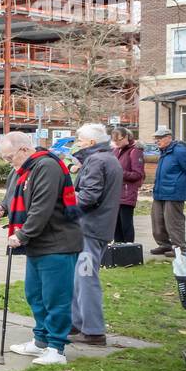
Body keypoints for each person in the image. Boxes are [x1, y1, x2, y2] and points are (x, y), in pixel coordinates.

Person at [0, 132, 83, 366]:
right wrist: (2, 208)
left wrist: (22, 234)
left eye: (9, 157)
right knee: (35, 294)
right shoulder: (21, 169)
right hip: (38, 244)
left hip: (57, 243)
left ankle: (56, 348)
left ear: (23, 149)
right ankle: (40, 340)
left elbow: (42, 207)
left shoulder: (46, 166)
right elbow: (13, 197)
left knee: (56, 297)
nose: (8, 162)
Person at [70, 124, 122, 346]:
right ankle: (77, 323)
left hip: (90, 228)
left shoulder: (97, 160)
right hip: (97, 227)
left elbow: (89, 197)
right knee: (79, 278)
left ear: (91, 143)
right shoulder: (107, 159)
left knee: (86, 277)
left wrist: (66, 200)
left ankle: (92, 330)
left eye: (80, 140)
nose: (77, 143)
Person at [150, 125, 186, 258]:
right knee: (157, 221)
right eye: (156, 138)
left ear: (169, 138)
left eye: (159, 138)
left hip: (174, 193)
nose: (157, 141)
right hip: (160, 192)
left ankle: (180, 248)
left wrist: (183, 187)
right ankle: (164, 245)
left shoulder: (179, 151)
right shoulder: (164, 152)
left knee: (174, 222)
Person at [111, 127, 145, 242]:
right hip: (115, 193)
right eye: (114, 141)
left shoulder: (135, 151)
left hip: (127, 192)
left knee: (126, 225)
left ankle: (129, 250)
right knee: (116, 226)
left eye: (119, 140)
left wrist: (119, 172)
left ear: (126, 137)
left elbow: (138, 174)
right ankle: (118, 250)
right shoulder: (116, 150)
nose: (116, 143)